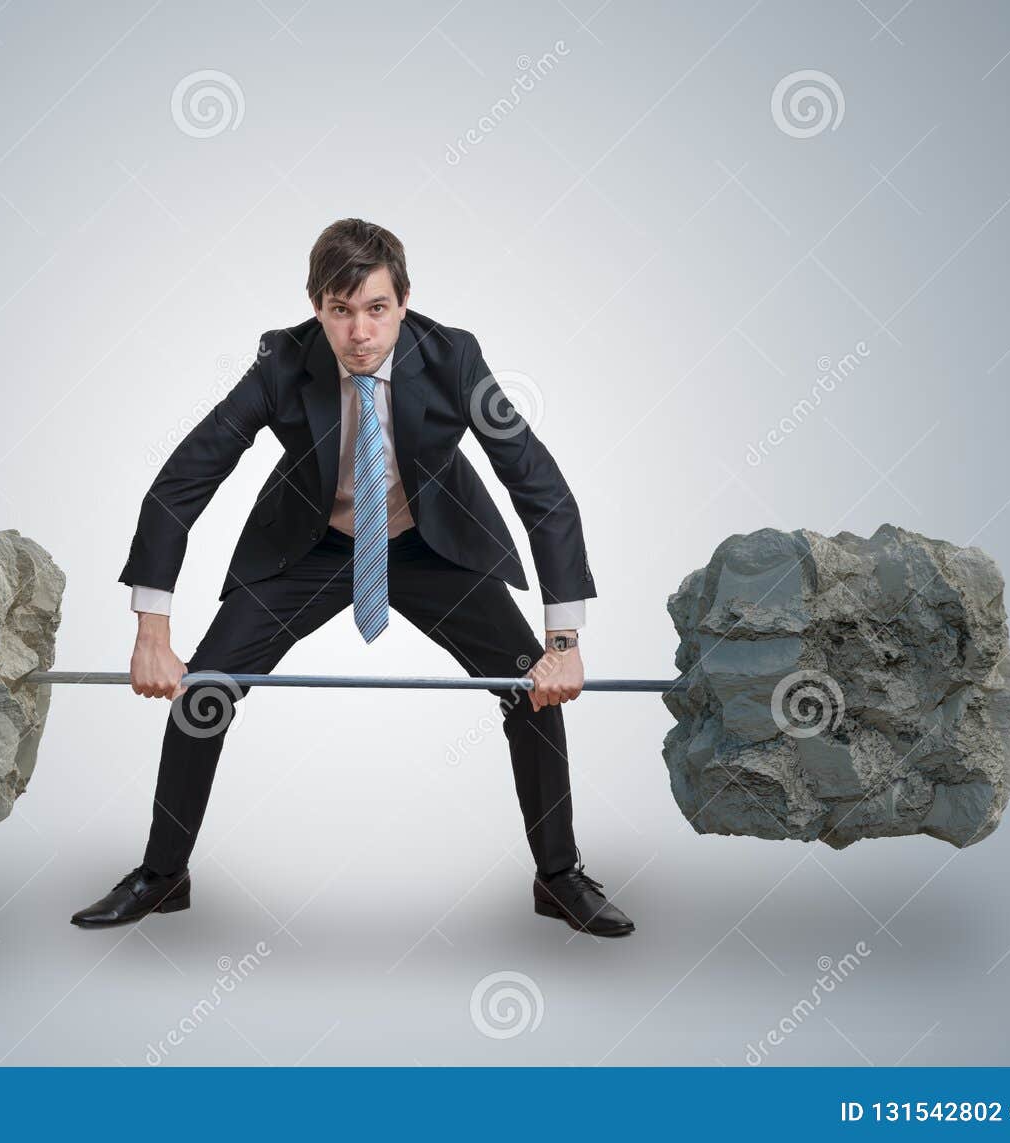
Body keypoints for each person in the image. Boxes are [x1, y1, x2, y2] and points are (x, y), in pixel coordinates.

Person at [71, 219, 633, 937]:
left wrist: (564, 642)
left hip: (431, 544)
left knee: (532, 688)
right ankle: (162, 875)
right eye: (340, 310)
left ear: (404, 302)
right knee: (202, 694)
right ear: (316, 308)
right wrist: (152, 631)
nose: (360, 332)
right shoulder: (281, 360)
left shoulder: (455, 358)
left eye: (376, 308)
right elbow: (183, 480)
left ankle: (558, 876)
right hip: (313, 545)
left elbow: (542, 489)